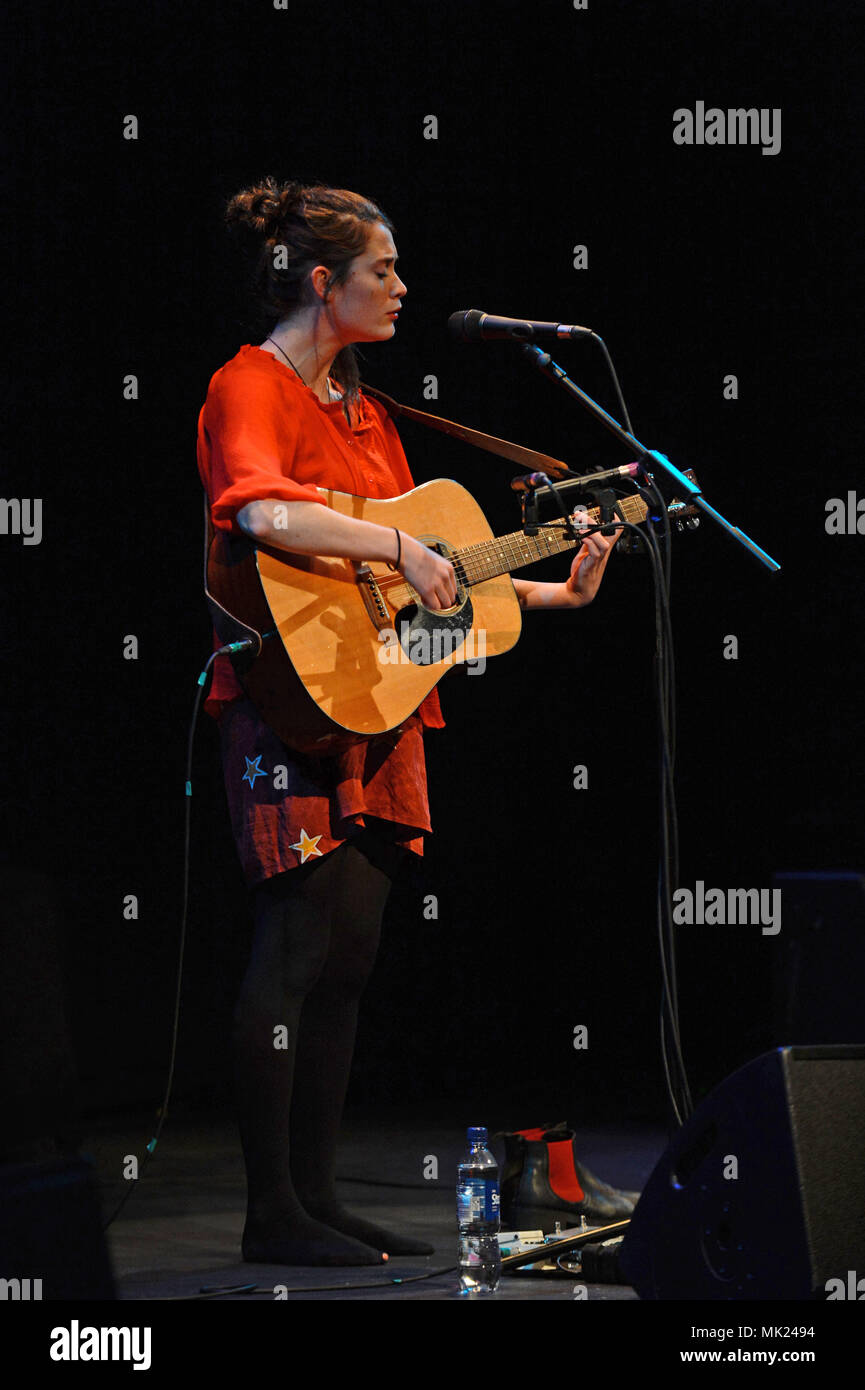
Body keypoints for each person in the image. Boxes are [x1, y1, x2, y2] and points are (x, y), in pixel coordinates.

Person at [196, 178, 620, 1267]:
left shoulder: (368, 410)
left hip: (379, 693)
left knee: (349, 958)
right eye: (383, 271)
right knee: (291, 948)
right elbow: (257, 508)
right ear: (323, 281)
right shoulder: (250, 385)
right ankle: (268, 1210)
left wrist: (550, 592)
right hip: (289, 693)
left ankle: (320, 1197)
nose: (400, 288)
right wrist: (393, 549)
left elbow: (433, 578)